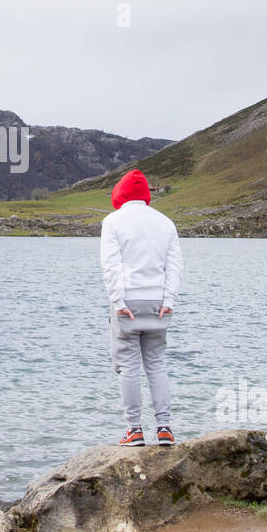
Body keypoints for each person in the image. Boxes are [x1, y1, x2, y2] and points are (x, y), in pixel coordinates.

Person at [99, 169, 184, 446]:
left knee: (129, 367)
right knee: (157, 365)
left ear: (121, 194)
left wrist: (118, 301)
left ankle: (134, 430)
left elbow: (110, 266)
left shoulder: (113, 222)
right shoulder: (166, 223)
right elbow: (174, 266)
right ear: (146, 195)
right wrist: (169, 300)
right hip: (158, 301)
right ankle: (164, 428)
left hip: (128, 301)